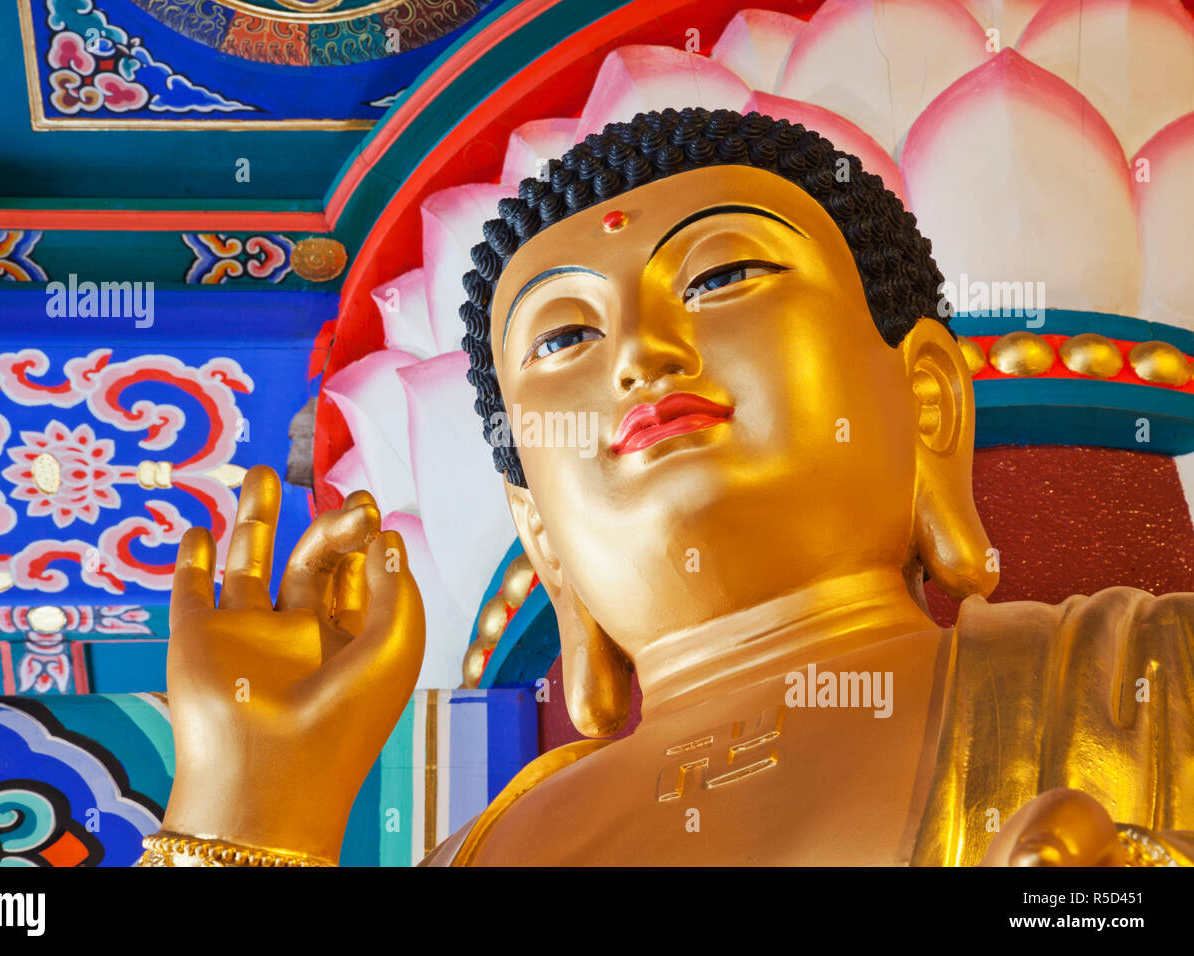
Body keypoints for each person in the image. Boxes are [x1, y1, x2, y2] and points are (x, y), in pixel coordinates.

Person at [139, 110, 1194, 867]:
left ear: (925, 398)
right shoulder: (477, 853)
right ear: (538, 530)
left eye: (722, 276)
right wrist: (246, 812)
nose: (641, 355)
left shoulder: (1151, 676)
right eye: (564, 336)